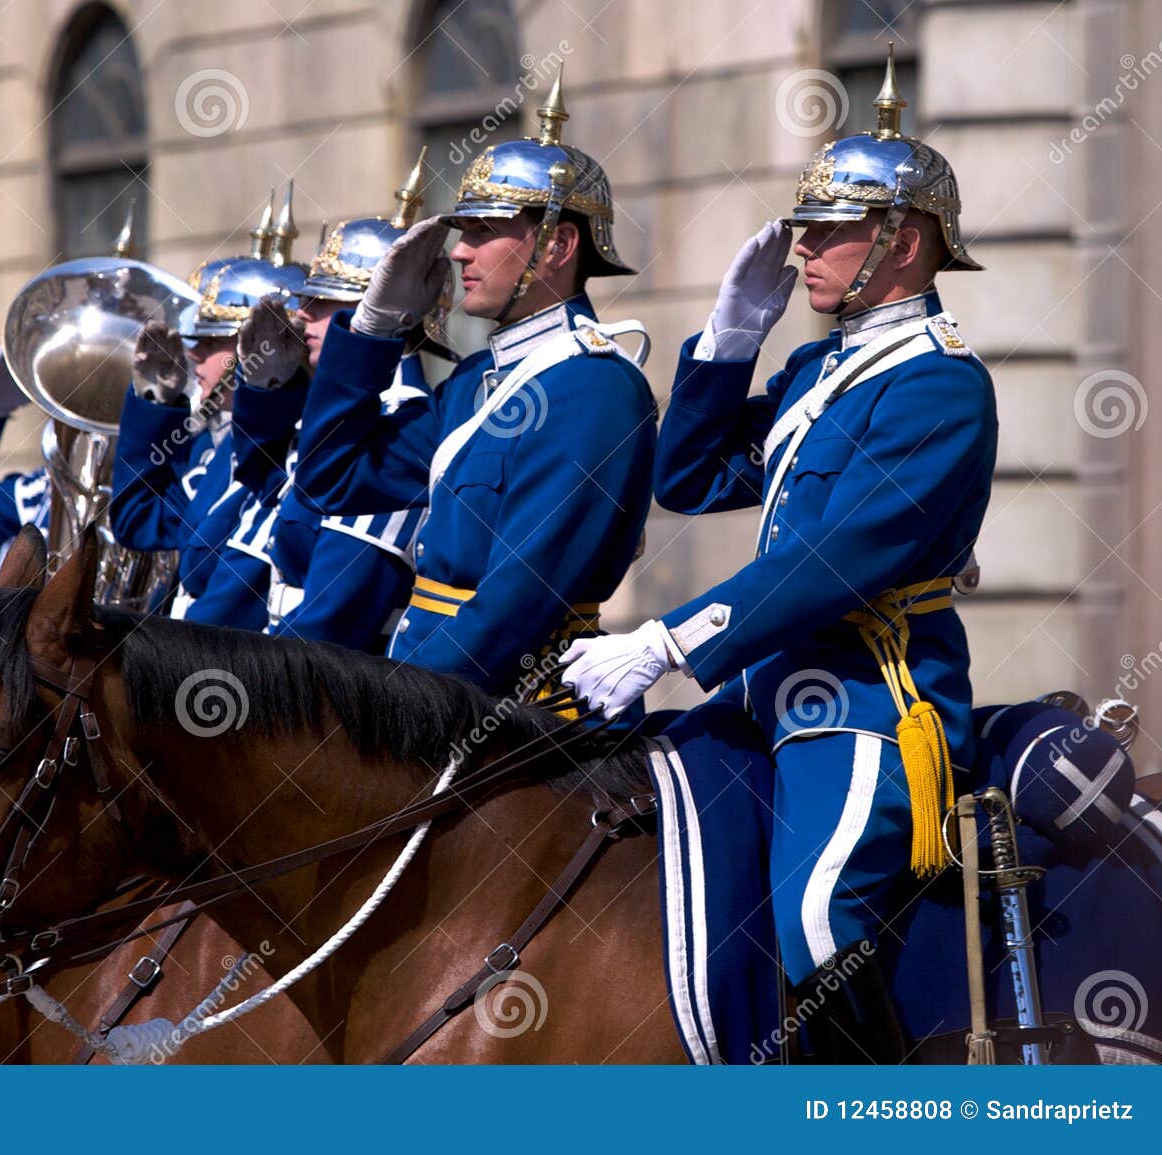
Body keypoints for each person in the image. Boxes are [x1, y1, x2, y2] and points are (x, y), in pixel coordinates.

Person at [561, 49, 994, 1062]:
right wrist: (726, 339)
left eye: (827, 230)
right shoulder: (821, 367)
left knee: (812, 921)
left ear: (904, 240)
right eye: (802, 228)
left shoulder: (937, 386)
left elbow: (831, 564)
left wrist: (666, 640)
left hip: (867, 697)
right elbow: (695, 477)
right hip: (766, 685)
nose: (802, 248)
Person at [292, 72, 657, 695]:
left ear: (558, 244)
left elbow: (518, 602)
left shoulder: (595, 389)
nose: (461, 254)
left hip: (513, 708)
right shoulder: (473, 381)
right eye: (464, 233)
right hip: (437, 686)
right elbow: (333, 476)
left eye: (485, 231)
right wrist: (374, 333)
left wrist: (399, 705)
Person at [228, 151, 453, 652]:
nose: (303, 316)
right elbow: (266, 495)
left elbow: (335, 615)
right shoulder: (337, 415)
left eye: (325, 303)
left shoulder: (400, 421)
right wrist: (268, 395)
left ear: (390, 309)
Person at [111, 189, 306, 628]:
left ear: (262, 344)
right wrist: (159, 404)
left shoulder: (290, 447)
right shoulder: (219, 449)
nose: (193, 354)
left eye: (214, 341)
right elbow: (137, 521)